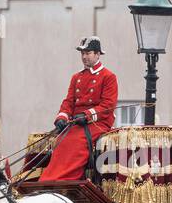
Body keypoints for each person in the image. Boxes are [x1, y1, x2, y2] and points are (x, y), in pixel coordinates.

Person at [39, 36, 118, 182]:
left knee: (75, 141)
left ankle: (63, 179)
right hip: (77, 121)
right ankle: (49, 178)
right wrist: (62, 118)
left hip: (97, 122)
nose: (84, 56)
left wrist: (87, 115)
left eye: (88, 53)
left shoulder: (108, 76)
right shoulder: (76, 77)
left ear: (97, 54)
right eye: (82, 53)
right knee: (61, 139)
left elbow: (107, 106)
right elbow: (69, 102)